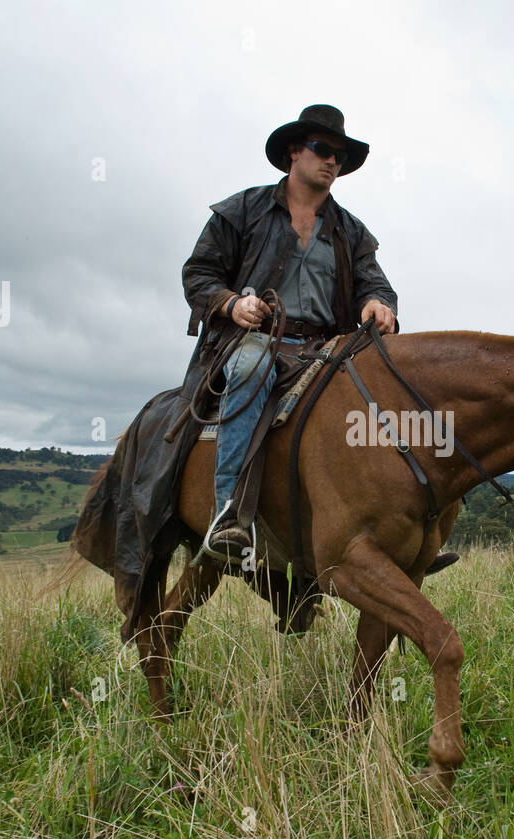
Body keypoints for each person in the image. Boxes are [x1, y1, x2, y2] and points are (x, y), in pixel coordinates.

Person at [182, 105, 398, 562]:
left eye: (339, 155)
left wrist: (379, 304)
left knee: (388, 390)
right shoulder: (242, 210)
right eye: (323, 149)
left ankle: (394, 528)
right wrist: (231, 303)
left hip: (330, 347)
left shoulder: (351, 231)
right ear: (294, 152)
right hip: (258, 339)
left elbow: (374, 283)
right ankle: (230, 515)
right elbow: (198, 273)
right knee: (251, 368)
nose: (332, 161)